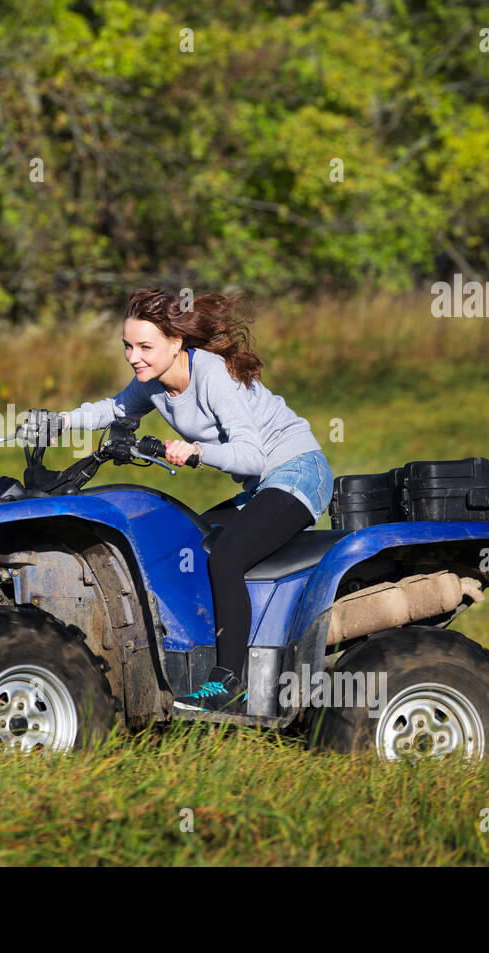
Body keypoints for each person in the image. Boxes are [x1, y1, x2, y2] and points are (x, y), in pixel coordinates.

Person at [53, 288, 333, 713]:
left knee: (225, 558)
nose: (134, 356)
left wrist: (197, 453)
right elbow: (112, 409)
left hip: (298, 472)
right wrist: (59, 422)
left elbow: (252, 456)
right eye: (128, 346)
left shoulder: (213, 375)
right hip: (261, 484)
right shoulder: (152, 384)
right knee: (189, 541)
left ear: (175, 343)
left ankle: (228, 682)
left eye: (145, 346)